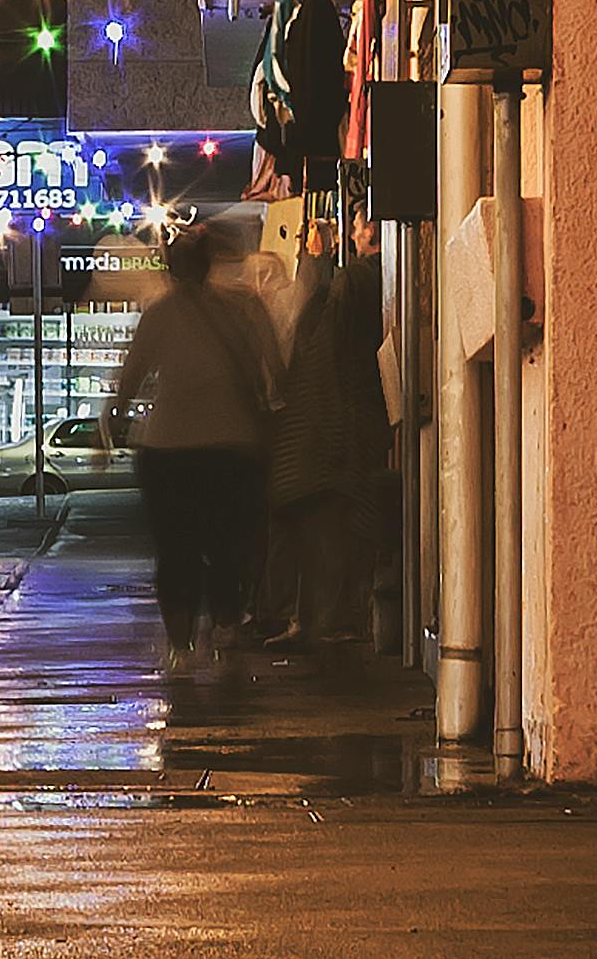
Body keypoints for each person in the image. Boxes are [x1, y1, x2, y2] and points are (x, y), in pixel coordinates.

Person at [105, 217, 285, 679]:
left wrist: (111, 424)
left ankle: (181, 643)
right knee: (230, 542)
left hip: (168, 449)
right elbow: (277, 371)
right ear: (209, 264)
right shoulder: (244, 308)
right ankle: (225, 623)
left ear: (171, 268)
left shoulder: (159, 314)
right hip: (234, 446)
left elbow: (130, 379)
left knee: (175, 548)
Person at [263, 248, 394, 655]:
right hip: (335, 447)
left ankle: (322, 619)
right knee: (337, 533)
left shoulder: (332, 312)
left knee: (322, 535)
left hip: (319, 450)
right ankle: (329, 619)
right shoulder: (351, 326)